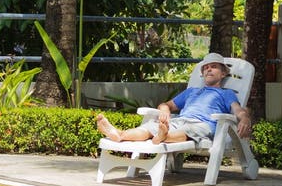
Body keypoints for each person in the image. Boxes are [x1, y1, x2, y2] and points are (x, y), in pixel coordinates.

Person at [96, 53, 252, 145]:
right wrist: (164, 110)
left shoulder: (226, 94)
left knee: (187, 131)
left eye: (214, 66)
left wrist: (244, 119)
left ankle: (164, 137)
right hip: (179, 121)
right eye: (205, 67)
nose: (208, 69)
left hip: (202, 125)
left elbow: (238, 110)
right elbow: (166, 104)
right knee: (149, 126)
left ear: (223, 73)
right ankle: (120, 135)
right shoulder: (191, 92)